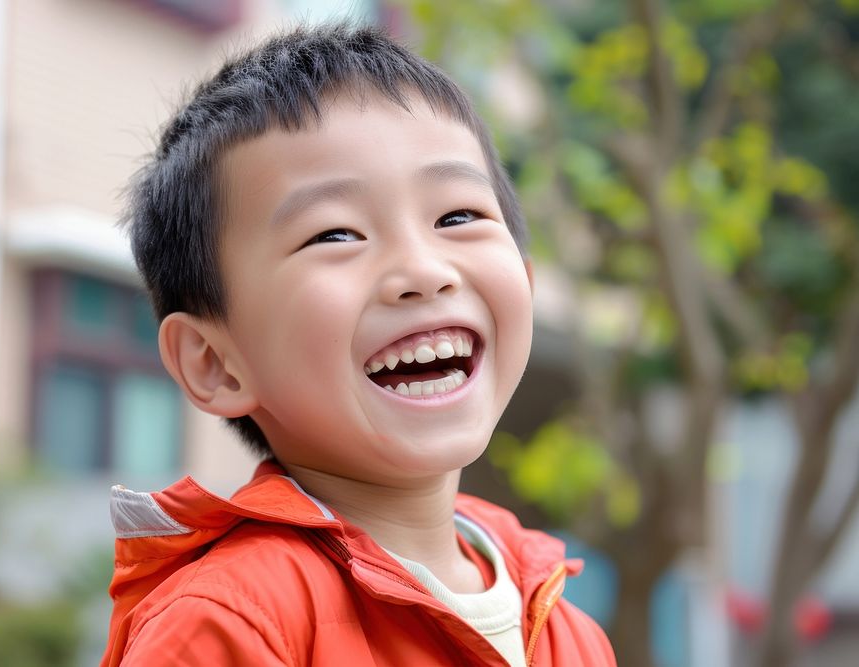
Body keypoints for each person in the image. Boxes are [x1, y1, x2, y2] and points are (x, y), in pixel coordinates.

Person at [101, 22, 617, 667]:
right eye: (335, 235)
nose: (423, 270)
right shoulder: (230, 622)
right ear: (215, 363)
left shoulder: (571, 632)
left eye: (457, 216)